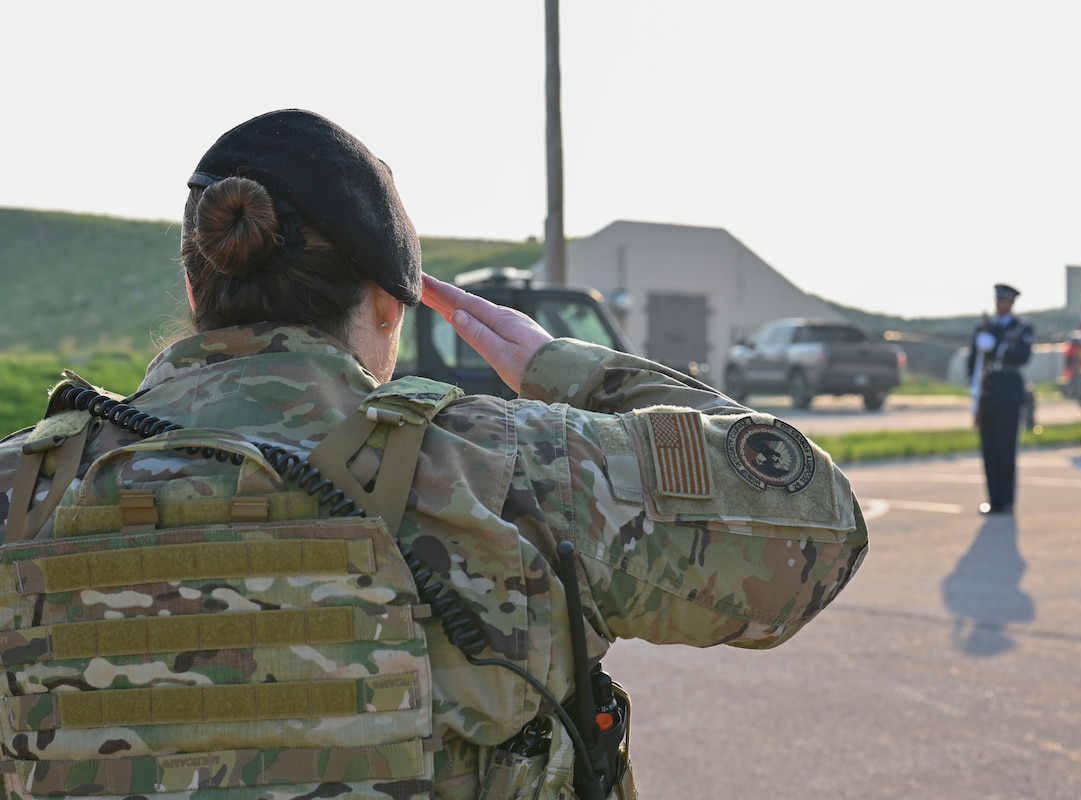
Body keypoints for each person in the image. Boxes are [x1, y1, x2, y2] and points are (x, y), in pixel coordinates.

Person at [0, 109, 868, 800]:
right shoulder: (507, 469)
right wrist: (564, 370)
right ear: (388, 306)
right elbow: (814, 525)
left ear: (196, 288)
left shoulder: (19, 492)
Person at [967, 283, 1035, 515]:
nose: (1000, 305)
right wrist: (973, 388)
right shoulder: (985, 328)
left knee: (1006, 450)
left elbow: (1023, 356)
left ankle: (1006, 500)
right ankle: (993, 499)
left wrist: (997, 347)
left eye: (1004, 301)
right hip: (988, 395)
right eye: (998, 300)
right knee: (989, 449)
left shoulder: (1022, 328)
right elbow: (973, 361)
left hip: (1008, 395)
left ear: (1012, 303)